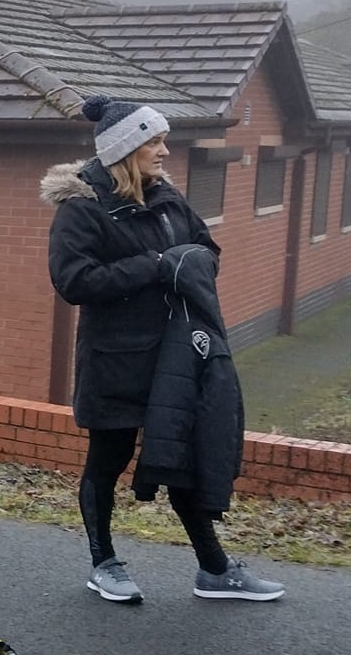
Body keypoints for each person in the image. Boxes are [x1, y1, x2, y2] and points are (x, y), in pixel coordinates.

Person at [43, 95, 285, 603]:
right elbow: (74, 280)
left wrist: (189, 264)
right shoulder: (82, 207)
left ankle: (215, 570)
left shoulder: (168, 197)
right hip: (115, 361)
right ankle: (103, 562)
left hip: (175, 358)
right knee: (106, 462)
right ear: (127, 149)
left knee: (184, 457)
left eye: (162, 140)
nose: (165, 151)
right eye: (154, 141)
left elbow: (204, 250)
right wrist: (156, 267)